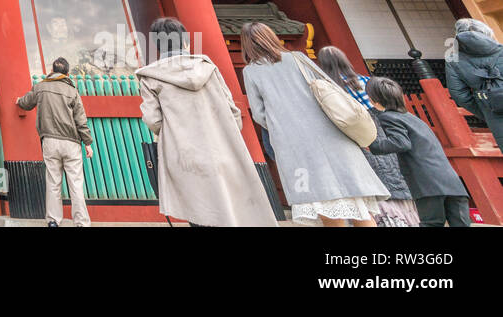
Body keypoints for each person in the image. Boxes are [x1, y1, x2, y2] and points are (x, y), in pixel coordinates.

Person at [240, 22, 388, 227]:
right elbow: (328, 89)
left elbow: (258, 114)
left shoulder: (252, 72)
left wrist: (281, 123)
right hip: (332, 135)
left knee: (323, 201)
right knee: (357, 205)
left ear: (247, 45)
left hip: (297, 145)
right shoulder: (298, 58)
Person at [136, 18, 277, 227]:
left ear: (157, 45)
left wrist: (173, 134)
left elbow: (152, 119)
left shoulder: (150, 76)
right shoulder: (207, 68)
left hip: (183, 154)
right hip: (220, 147)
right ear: (185, 42)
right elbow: (231, 110)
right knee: (230, 208)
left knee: (198, 210)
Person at [317, 46, 419, 227]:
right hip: (381, 131)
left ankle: (376, 218)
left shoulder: (328, 88)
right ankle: (402, 219)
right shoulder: (367, 82)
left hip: (353, 136)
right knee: (392, 172)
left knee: (367, 180)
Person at [367, 76, 472, 227]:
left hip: (427, 182)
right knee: (461, 224)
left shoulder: (388, 117)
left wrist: (372, 145)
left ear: (375, 100)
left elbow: (401, 143)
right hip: (451, 182)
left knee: (431, 223)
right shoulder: (412, 118)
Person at [16, 56, 93, 227]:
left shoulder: (40, 87)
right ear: (66, 73)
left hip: (50, 141)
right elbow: (81, 119)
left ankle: (53, 221)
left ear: (52, 71)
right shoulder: (72, 91)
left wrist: (17, 102)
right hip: (71, 142)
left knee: (53, 182)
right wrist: (87, 143)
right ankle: (81, 223)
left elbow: (26, 103)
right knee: (76, 184)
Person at [446, 18, 503, 151]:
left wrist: (486, 111)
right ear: (486, 32)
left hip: (494, 112)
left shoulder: (454, 60)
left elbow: (459, 95)